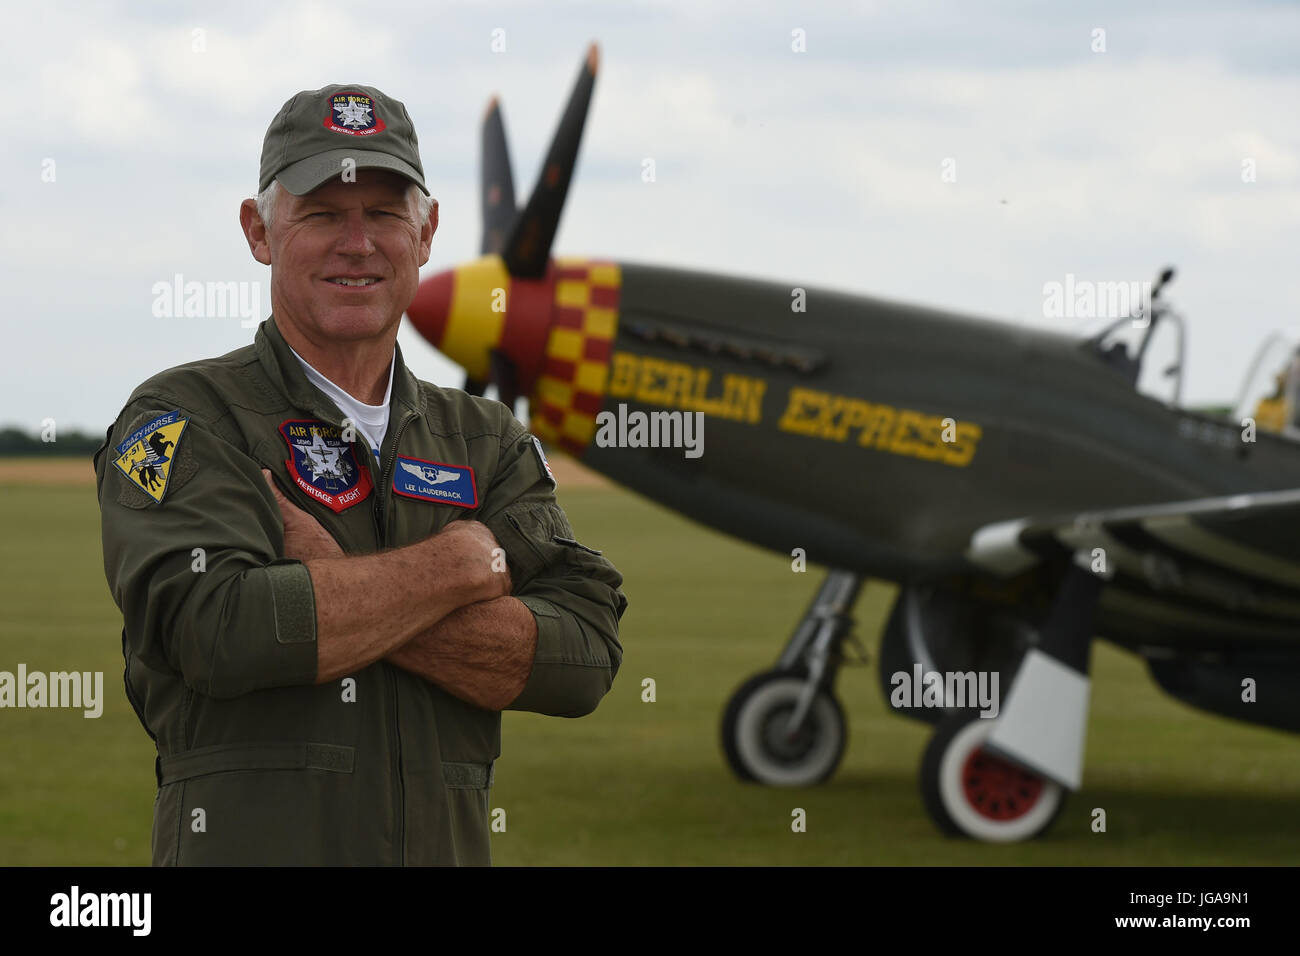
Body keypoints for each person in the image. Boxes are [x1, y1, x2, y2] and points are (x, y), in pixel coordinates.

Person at [93, 83, 627, 866]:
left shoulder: (485, 441)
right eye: (321, 213)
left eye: (383, 213)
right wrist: (457, 565)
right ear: (259, 230)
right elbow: (215, 631)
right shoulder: (188, 417)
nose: (358, 242)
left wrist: (340, 584)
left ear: (427, 231)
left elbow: (583, 657)